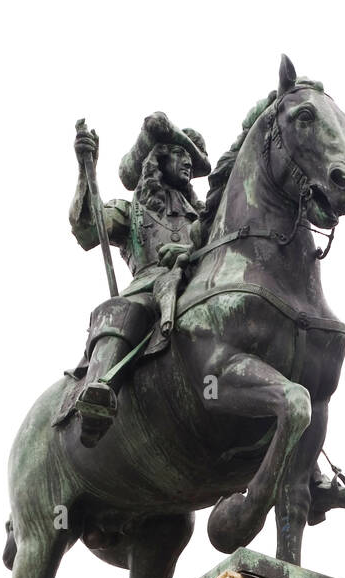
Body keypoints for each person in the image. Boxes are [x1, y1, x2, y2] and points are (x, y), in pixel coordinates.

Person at [53, 112, 210, 445]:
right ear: (158, 158)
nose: (187, 164)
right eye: (180, 154)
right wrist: (86, 170)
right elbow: (87, 230)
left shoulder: (204, 214)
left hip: (201, 278)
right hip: (150, 284)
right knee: (123, 310)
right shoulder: (130, 210)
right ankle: (100, 392)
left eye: (192, 160)